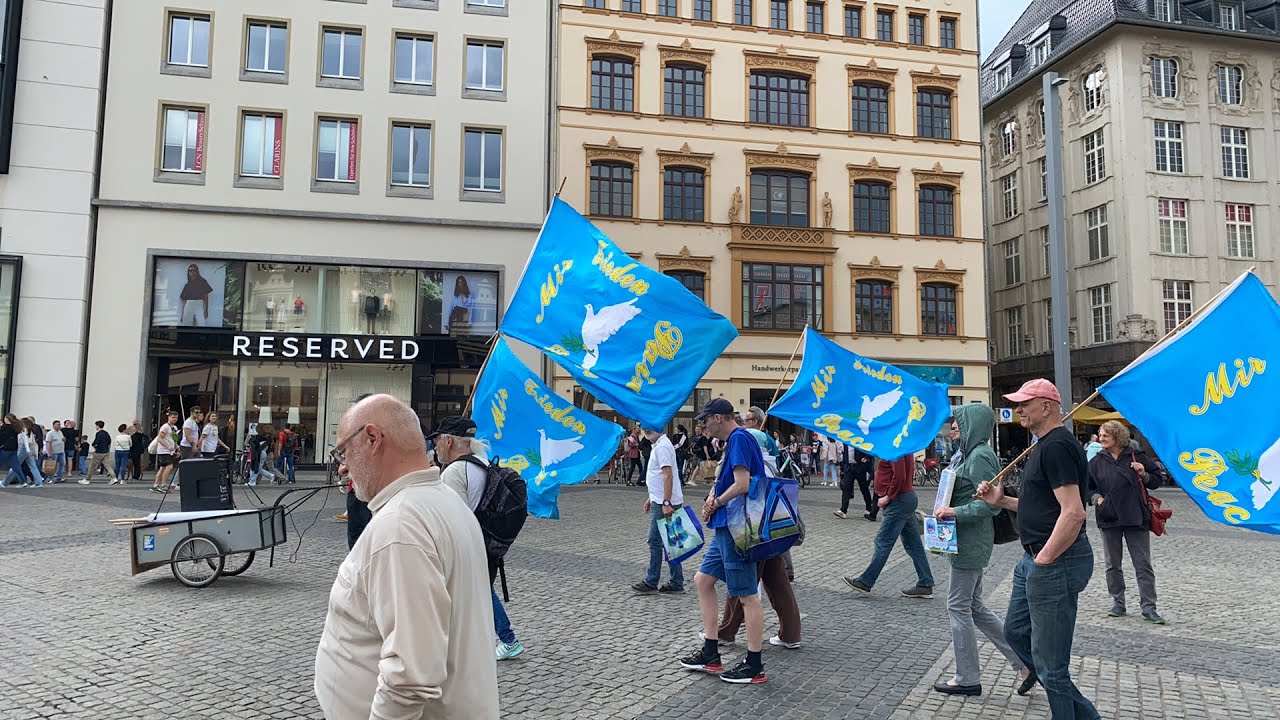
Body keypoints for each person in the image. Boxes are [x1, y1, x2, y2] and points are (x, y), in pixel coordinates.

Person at [314, 395, 498, 720]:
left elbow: (411, 675)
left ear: (372, 438)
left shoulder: (401, 525)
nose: (342, 466)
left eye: (343, 451)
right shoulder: (443, 501)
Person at [976, 378, 1100, 718]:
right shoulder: (1043, 445)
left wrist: (1044, 560)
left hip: (1055, 560)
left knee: (1051, 666)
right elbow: (1043, 507)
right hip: (1035, 559)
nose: (1018, 410)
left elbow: (1074, 513)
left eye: (1024, 404)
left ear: (1046, 406)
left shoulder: (1057, 446)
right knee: (1015, 633)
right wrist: (1002, 500)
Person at [932, 406, 1029, 696]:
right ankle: (1024, 662)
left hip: (971, 541)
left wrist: (953, 510)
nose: (952, 431)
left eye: (958, 427)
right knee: (974, 606)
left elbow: (988, 504)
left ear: (972, 427)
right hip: (964, 539)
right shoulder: (966, 455)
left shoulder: (979, 456)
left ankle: (967, 678)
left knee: (958, 606)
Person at [677, 398, 768, 685]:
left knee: (748, 596)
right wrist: (712, 497)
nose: (703, 426)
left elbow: (742, 485)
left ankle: (754, 665)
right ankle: (711, 653)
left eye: (705, 420)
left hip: (737, 527)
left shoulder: (740, 439)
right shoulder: (736, 441)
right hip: (725, 526)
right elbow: (729, 480)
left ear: (718, 418)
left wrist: (716, 501)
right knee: (703, 580)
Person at [432, 415, 526, 662]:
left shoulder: (454, 472)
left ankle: (507, 639)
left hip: (469, 544)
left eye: (438, 441)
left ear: (449, 441)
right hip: (487, 540)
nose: (435, 447)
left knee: (474, 591)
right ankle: (501, 639)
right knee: (479, 590)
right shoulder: (480, 462)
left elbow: (454, 518)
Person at [713, 418, 802, 653]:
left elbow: (745, 489)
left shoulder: (752, 461)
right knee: (777, 582)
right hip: (772, 529)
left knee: (744, 583)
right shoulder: (770, 462)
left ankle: (726, 631)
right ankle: (791, 633)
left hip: (754, 528)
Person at [1088, 420, 1165, 624]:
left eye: (1106, 435)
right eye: (1100, 434)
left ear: (1117, 437)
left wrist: (1144, 474)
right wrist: (1097, 499)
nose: (1101, 438)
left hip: (1135, 517)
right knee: (1112, 564)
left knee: (1143, 564)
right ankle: (1118, 602)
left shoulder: (1136, 456)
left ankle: (1149, 607)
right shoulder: (1096, 461)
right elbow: (1087, 486)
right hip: (1109, 517)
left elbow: (1157, 480)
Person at [844, 452, 934, 599]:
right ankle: (925, 583)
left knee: (883, 542)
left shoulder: (896, 447)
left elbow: (899, 476)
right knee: (914, 545)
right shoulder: (903, 445)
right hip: (905, 498)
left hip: (898, 501)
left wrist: (887, 497)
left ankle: (865, 582)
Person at [632, 425, 685, 595]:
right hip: (662, 499)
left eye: (650, 426)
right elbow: (659, 477)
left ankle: (651, 580)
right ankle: (676, 581)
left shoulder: (662, 446)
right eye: (643, 427)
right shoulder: (660, 444)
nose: (646, 430)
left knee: (655, 541)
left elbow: (668, 475)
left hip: (665, 502)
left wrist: (666, 502)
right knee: (672, 542)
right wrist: (651, 497)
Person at [834, 445, 874, 519]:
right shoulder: (846, 442)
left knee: (864, 488)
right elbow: (844, 455)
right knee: (846, 489)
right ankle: (843, 510)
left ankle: (869, 508)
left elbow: (869, 450)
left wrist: (867, 457)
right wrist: (842, 468)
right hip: (849, 468)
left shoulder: (859, 441)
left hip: (859, 467)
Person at [151, 411, 179, 493]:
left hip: (170, 451)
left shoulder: (174, 428)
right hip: (163, 451)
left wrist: (176, 449)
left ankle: (156, 485)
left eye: (176, 417)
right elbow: (160, 438)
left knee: (162, 468)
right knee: (169, 466)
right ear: (169, 417)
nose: (174, 419)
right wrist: (167, 446)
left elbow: (174, 439)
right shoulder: (165, 427)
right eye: (173, 417)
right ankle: (163, 484)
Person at [0, 414, 18, 486]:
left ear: (7, 419)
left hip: (6, 448)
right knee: (16, 466)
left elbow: (2, 437)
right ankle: (22, 480)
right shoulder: (16, 427)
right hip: (13, 448)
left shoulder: (6, 427)